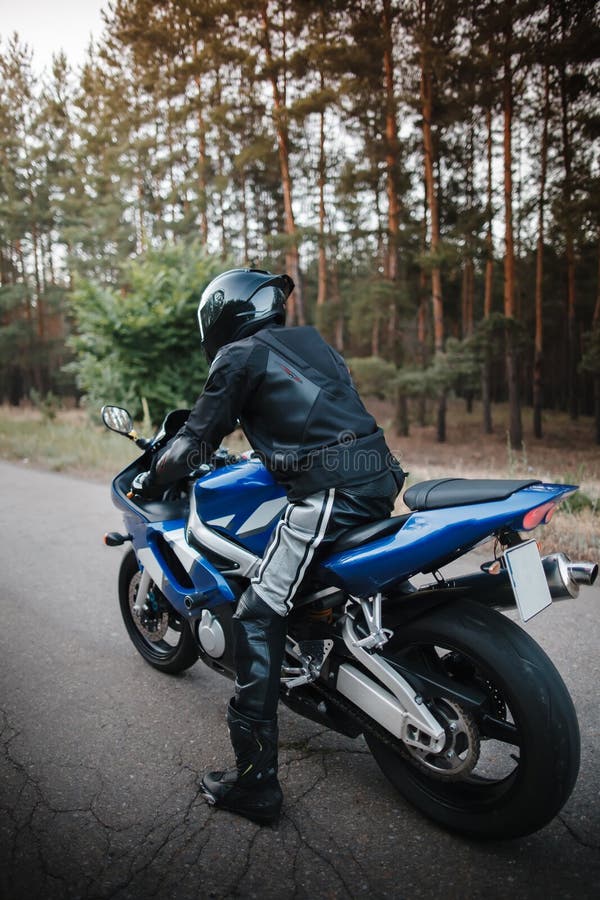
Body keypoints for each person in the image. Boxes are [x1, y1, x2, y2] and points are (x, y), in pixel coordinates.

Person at [138, 268, 404, 826]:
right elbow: (321, 417)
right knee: (313, 586)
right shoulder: (312, 346)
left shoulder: (238, 357)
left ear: (222, 318)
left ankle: (256, 785)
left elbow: (194, 441)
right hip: (378, 475)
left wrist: (154, 480)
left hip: (331, 491)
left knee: (258, 613)